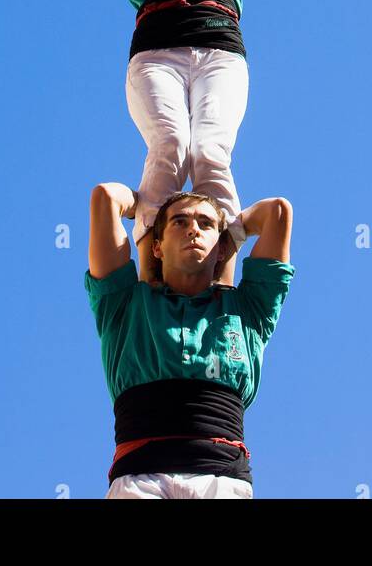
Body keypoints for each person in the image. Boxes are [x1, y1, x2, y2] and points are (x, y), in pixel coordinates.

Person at [107, 0, 262, 284]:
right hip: (157, 51)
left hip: (220, 50)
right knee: (171, 144)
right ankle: (152, 276)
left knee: (210, 151)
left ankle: (220, 280)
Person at [85, 184, 294, 499]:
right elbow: (106, 197)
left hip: (220, 478)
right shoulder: (124, 305)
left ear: (221, 247)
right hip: (139, 477)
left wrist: (233, 230)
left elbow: (277, 211)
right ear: (157, 246)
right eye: (179, 222)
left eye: (206, 224)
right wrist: (144, 210)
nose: (193, 230)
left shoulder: (247, 309)